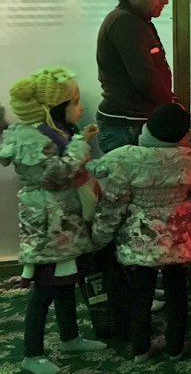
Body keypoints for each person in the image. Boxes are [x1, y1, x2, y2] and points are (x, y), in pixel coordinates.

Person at [90, 103, 191, 362]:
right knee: (177, 295)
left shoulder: (126, 160)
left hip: (139, 241)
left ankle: (140, 349)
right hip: (179, 241)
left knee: (139, 296)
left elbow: (112, 204)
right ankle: (175, 347)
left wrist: (100, 235)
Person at [0, 68, 107, 374]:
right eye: (75, 102)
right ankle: (31, 354)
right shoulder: (37, 140)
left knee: (65, 283)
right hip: (48, 225)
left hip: (62, 223)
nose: (81, 107)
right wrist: (79, 144)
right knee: (43, 291)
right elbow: (56, 176)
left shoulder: (56, 133)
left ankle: (70, 337)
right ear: (55, 109)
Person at [95, 0, 175, 153]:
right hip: (125, 127)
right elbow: (145, 76)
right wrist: (172, 109)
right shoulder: (126, 22)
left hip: (131, 123)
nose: (165, 1)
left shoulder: (137, 19)